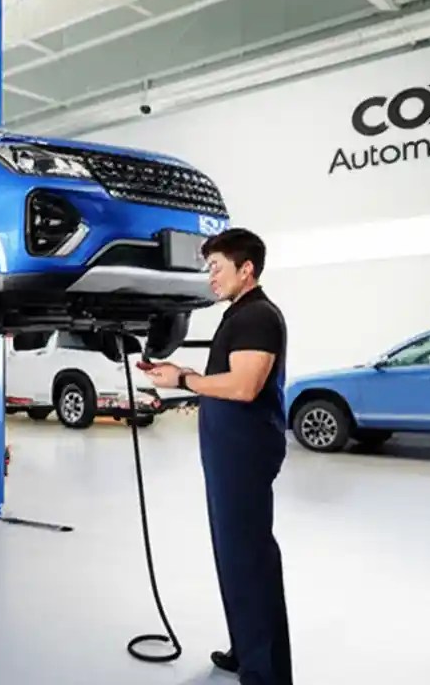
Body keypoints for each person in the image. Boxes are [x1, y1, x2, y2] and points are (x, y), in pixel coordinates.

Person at [140, 227, 293, 685]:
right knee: (232, 554)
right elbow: (227, 379)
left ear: (246, 269)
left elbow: (244, 386)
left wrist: (184, 382)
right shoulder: (240, 313)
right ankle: (246, 650)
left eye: (216, 267)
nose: (210, 277)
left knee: (248, 557)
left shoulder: (258, 316)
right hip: (229, 450)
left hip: (245, 451)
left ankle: (265, 672)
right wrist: (182, 375)